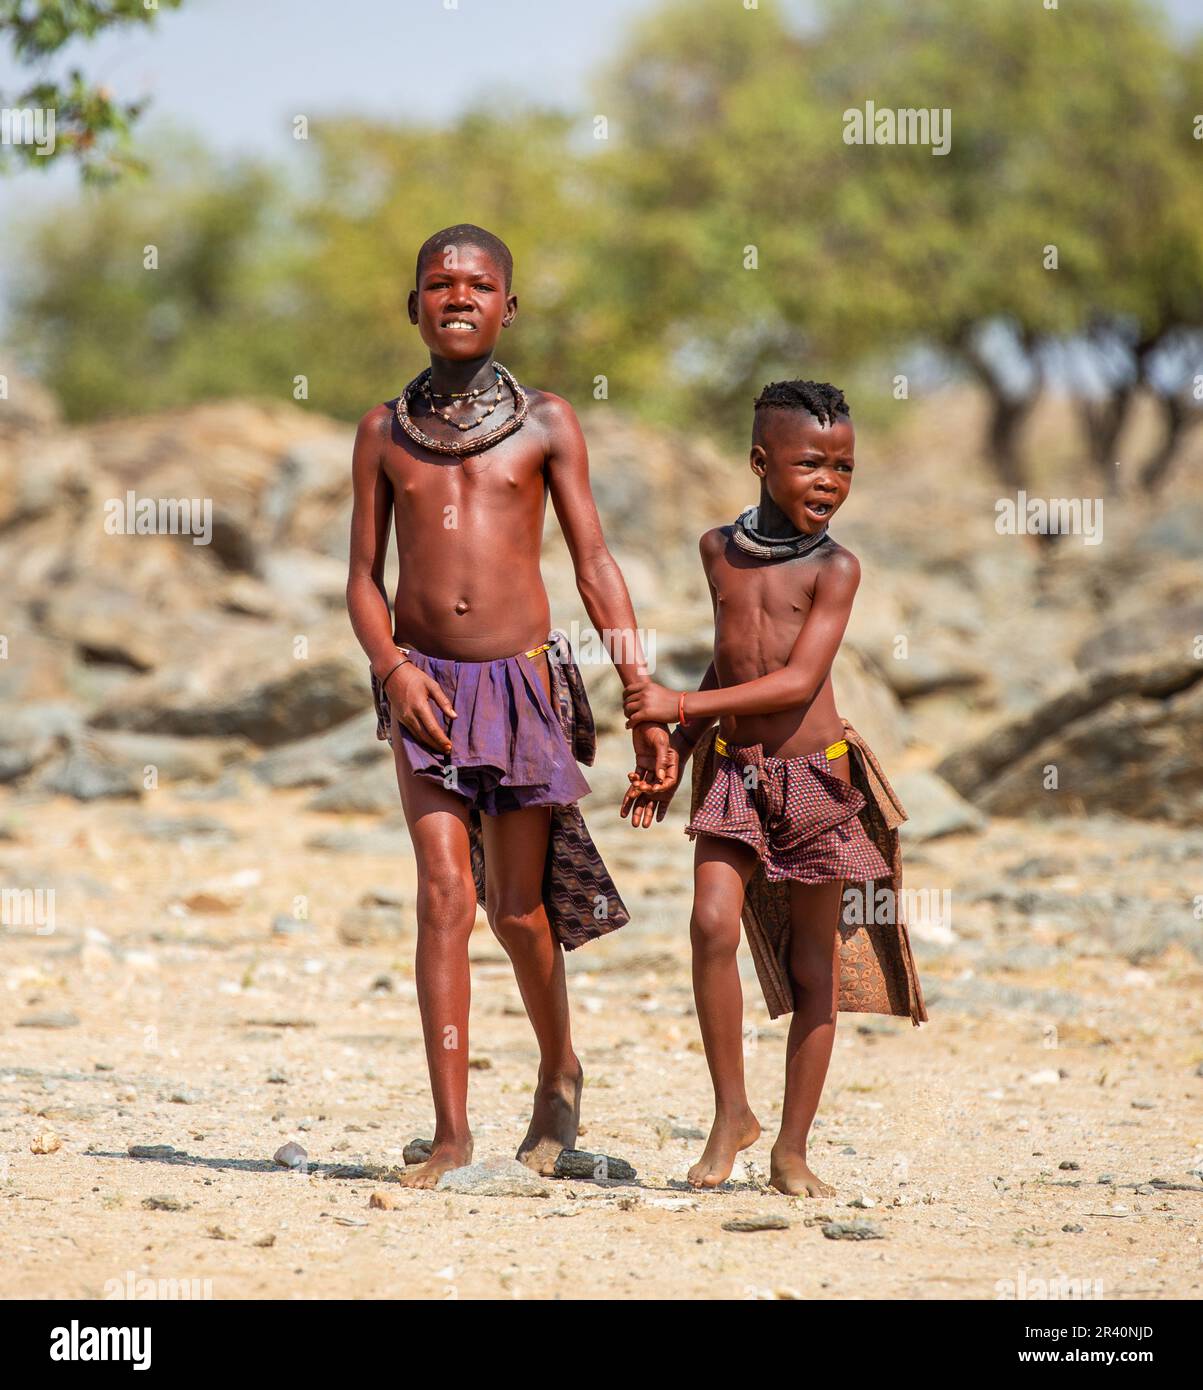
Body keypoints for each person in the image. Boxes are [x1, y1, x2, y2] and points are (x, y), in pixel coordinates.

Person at [347, 223, 678, 1187]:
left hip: (524, 685)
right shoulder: (382, 431)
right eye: (439, 284)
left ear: (507, 306)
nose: (458, 297)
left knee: (519, 910)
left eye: (478, 284)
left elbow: (594, 564)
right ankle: (451, 1132)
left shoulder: (545, 423)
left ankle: (557, 1067)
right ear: (412, 306)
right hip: (425, 690)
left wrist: (642, 697)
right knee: (444, 892)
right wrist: (392, 669)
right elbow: (363, 580)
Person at [621, 379, 926, 1196]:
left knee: (811, 968)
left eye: (844, 467)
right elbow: (732, 656)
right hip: (732, 772)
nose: (829, 481)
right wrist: (680, 746)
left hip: (815, 779)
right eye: (809, 464)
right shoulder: (716, 549)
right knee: (708, 924)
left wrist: (677, 704)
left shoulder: (837, 568)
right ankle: (731, 1113)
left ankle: (792, 1150)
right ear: (760, 462)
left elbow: (793, 683)